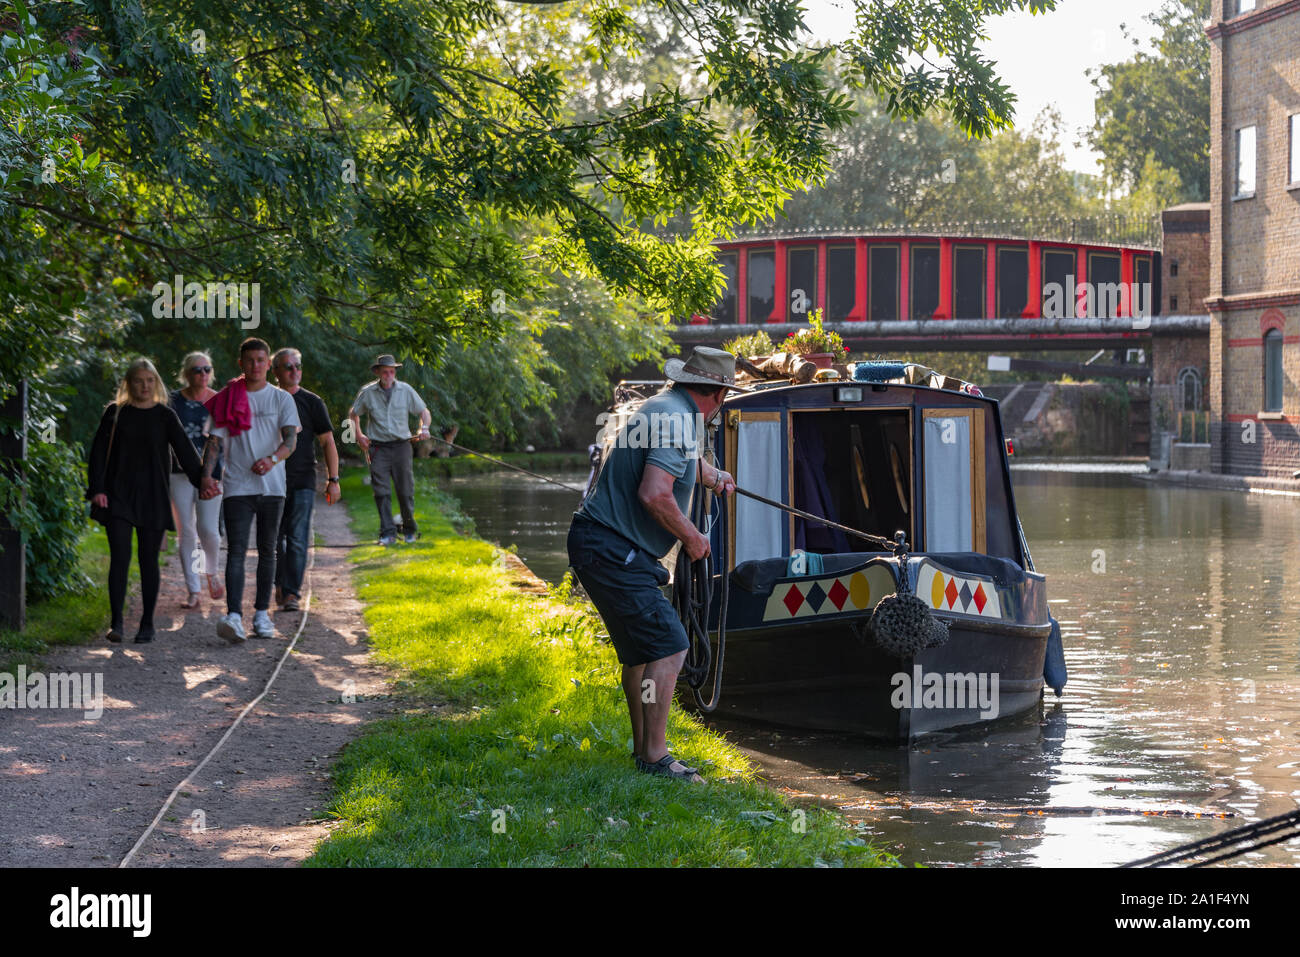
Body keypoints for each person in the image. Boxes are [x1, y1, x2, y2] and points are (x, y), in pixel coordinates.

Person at [566, 346, 743, 782]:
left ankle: (645, 751)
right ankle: (655, 757)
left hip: (602, 545)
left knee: (643, 656)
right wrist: (694, 538)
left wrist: (710, 475)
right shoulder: (678, 420)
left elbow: (678, 461)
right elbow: (655, 494)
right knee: (670, 645)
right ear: (718, 396)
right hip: (612, 550)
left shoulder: (666, 407)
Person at [87, 358, 220, 643]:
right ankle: (117, 623)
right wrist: (97, 489)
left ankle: (147, 624)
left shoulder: (165, 415)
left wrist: (204, 482)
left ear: (156, 383)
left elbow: (186, 453)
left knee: (149, 560)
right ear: (129, 383)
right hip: (117, 496)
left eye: (149, 380)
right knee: (120, 558)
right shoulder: (115, 413)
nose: (144, 386)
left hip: (153, 495)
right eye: (138, 380)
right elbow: (97, 454)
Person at [203, 338, 300, 643]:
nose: (256, 365)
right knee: (236, 551)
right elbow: (215, 443)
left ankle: (261, 615)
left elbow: (290, 442)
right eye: (250, 360)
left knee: (268, 550)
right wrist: (206, 476)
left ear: (268, 364)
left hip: (272, 486)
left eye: (261, 360)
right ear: (240, 364)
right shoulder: (227, 398)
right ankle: (234, 616)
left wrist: (272, 459)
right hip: (237, 486)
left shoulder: (281, 399)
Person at [270, 347, 341, 612]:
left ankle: (291, 593)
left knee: (297, 537)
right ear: (275, 371)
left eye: (297, 366)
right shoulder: (265, 399)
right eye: (288, 367)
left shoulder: (312, 402)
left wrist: (333, 479)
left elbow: (327, 442)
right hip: (270, 480)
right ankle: (279, 583)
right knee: (275, 538)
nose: (294, 371)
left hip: (302, 480)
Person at [348, 354, 431, 545]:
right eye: (385, 371)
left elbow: (424, 412)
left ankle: (409, 530)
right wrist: (359, 435)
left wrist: (423, 428)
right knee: (381, 491)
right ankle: (387, 533)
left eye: (392, 371)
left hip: (402, 446)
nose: (389, 375)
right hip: (378, 448)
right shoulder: (368, 392)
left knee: (405, 491)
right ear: (378, 372)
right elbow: (353, 415)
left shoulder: (406, 390)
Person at [169, 352, 224, 609]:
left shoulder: (219, 400)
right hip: (178, 472)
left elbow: (227, 437)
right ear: (187, 373)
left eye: (206, 369)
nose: (202, 374)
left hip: (211, 474)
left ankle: (211, 573)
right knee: (186, 532)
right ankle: (193, 589)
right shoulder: (172, 401)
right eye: (196, 370)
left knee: (208, 529)